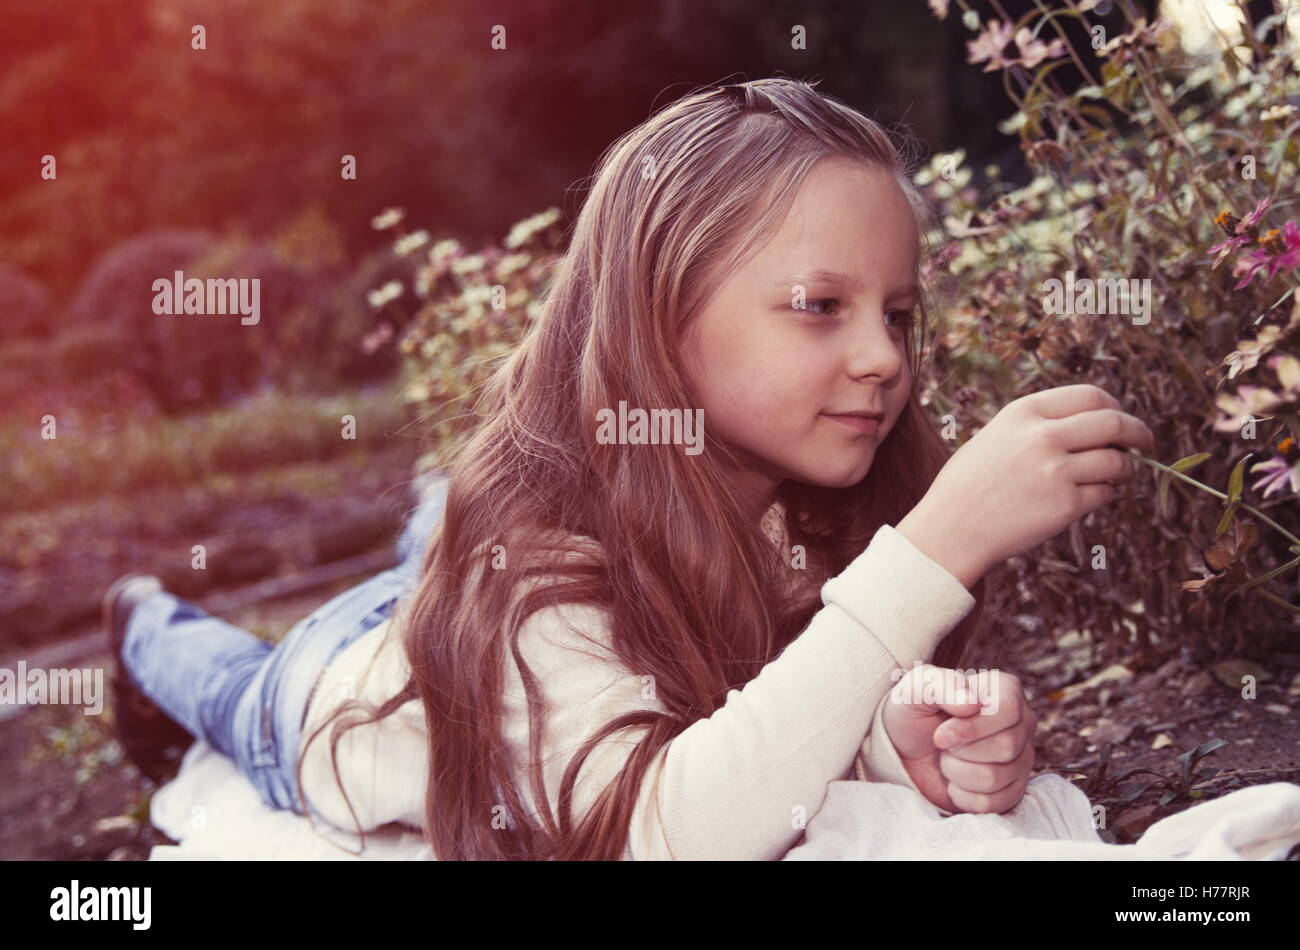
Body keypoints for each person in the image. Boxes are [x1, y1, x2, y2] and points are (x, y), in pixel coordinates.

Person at [105, 77, 1155, 861]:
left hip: (512, 607)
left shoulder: (795, 501)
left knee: (459, 554)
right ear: (662, 312)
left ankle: (427, 533)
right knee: (223, 676)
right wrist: (937, 544)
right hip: (337, 687)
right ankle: (140, 616)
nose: (883, 355)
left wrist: (895, 738)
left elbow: (755, 712)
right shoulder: (535, 566)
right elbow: (662, 824)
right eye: (818, 305)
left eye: (898, 313)